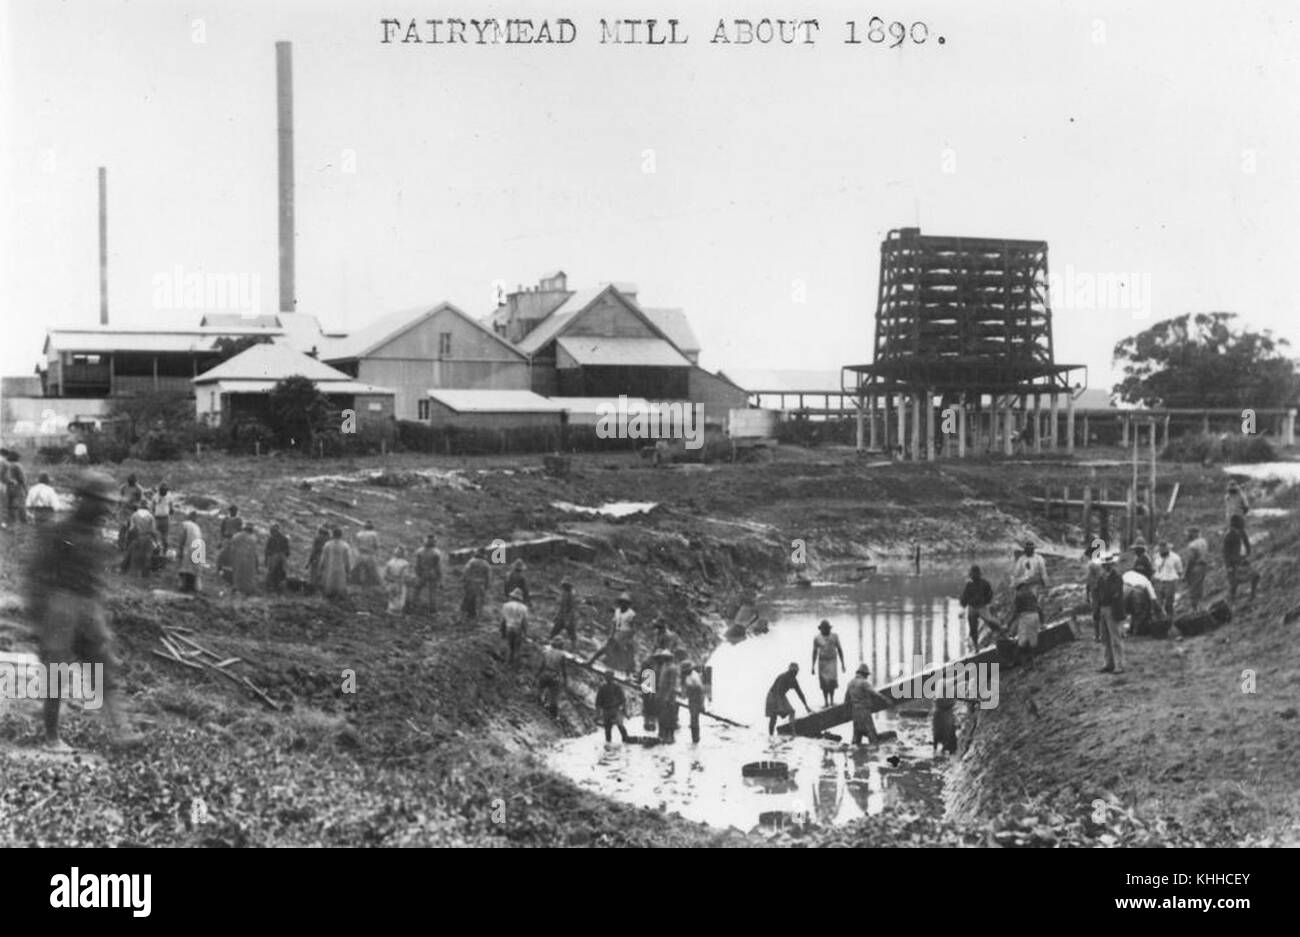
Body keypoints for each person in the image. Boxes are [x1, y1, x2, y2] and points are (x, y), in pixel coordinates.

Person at [26, 471, 138, 750]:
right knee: (56, 676)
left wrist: (99, 613)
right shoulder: (59, 532)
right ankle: (52, 738)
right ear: (83, 500)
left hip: (89, 609)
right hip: (60, 609)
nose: (106, 508)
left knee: (104, 670)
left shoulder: (96, 536)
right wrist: (40, 619)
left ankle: (121, 733)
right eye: (100, 502)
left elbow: (97, 579)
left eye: (107, 503)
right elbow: (35, 575)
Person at [1094, 552, 1127, 675]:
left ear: (1111, 564)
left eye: (1107, 564)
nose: (1105, 566)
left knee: (1115, 637)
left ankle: (1120, 665)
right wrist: (1097, 608)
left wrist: (1104, 598)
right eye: (1104, 564)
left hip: (1112, 608)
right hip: (1103, 607)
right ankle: (1108, 663)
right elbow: (1098, 593)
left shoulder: (1116, 577)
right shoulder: (1101, 578)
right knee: (1104, 638)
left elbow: (1115, 593)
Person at [589, 593, 637, 673]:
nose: (623, 604)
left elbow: (633, 628)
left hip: (625, 634)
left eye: (626, 603)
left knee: (626, 655)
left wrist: (628, 639)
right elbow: (614, 624)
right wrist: (611, 634)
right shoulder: (617, 611)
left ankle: (628, 675)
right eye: (622, 602)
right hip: (617, 633)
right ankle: (591, 661)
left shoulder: (631, 614)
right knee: (605, 648)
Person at [845, 664, 890, 745]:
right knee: (872, 736)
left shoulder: (850, 683)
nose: (867, 677)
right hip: (864, 712)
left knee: (856, 737)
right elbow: (875, 693)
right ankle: (873, 754)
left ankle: (855, 755)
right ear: (864, 674)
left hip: (855, 713)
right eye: (867, 675)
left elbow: (846, 700)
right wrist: (886, 699)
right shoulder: (864, 683)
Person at [765, 662, 811, 736]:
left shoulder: (794, 680)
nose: (794, 674)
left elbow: (800, 693)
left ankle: (793, 733)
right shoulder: (783, 677)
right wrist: (780, 706)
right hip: (773, 695)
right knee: (773, 716)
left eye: (796, 672)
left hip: (781, 695)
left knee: (792, 711)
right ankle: (771, 735)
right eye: (792, 672)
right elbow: (777, 690)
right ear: (789, 671)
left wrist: (806, 706)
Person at [1223, 513, 1260, 603]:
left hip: (1242, 561)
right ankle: (1232, 601)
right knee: (1233, 584)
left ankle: (1252, 596)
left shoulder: (1242, 532)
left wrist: (1247, 554)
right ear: (1237, 524)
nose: (1243, 523)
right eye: (1241, 522)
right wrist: (1229, 567)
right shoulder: (1229, 535)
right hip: (1233, 563)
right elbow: (1226, 553)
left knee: (1255, 576)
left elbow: (1247, 544)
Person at [959, 565, 997, 648]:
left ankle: (1000, 634)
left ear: (978, 574)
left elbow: (990, 594)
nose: (973, 576)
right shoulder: (969, 585)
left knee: (990, 621)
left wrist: (986, 601)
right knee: (973, 626)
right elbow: (965, 597)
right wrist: (963, 606)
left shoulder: (985, 583)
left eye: (974, 574)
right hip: (972, 607)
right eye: (971, 574)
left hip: (982, 607)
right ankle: (976, 645)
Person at [811, 620, 845, 707]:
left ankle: (832, 701)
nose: (826, 630)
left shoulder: (834, 636)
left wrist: (843, 664)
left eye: (827, 628)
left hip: (832, 661)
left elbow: (840, 649)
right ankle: (826, 702)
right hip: (822, 662)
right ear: (821, 629)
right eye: (824, 629)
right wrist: (813, 666)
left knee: (832, 682)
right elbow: (814, 652)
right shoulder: (817, 638)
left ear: (829, 628)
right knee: (824, 683)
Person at [1006, 583, 1042, 666]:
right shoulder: (1031, 595)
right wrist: (1042, 622)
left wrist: (1009, 623)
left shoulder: (1018, 596)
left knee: (1022, 643)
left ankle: (1021, 662)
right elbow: (1038, 608)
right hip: (1035, 616)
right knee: (1032, 642)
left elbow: (1015, 612)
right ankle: (1033, 660)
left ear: (1018, 590)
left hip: (1026, 617)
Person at [122, 502, 158, 578]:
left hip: (136, 537)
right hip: (147, 538)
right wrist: (156, 541)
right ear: (147, 508)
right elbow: (153, 530)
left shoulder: (134, 515)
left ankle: (127, 571)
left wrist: (128, 539)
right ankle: (145, 575)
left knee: (132, 555)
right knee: (147, 557)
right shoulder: (150, 516)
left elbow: (131, 528)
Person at [1151, 540, 1183, 621]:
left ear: (1168, 549)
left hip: (1170, 582)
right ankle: (1159, 621)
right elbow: (1154, 569)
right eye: (1160, 549)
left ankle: (1170, 620)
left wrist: (1175, 581)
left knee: (1169, 604)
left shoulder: (1175, 557)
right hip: (1158, 581)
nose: (1162, 551)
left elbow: (1179, 571)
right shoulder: (1156, 557)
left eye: (1163, 549)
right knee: (1158, 603)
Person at [595, 670, 630, 743]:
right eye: (608, 677)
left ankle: (624, 740)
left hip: (613, 710)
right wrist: (625, 711)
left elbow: (623, 700)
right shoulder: (605, 688)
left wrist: (598, 715)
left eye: (609, 677)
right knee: (610, 728)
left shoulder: (613, 688)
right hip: (610, 710)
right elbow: (598, 702)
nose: (608, 679)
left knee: (616, 727)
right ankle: (622, 740)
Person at [537, 637, 568, 718]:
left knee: (540, 691)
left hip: (544, 673)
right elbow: (564, 669)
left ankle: (538, 705)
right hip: (554, 676)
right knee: (554, 697)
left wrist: (536, 675)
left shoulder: (546, 651)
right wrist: (565, 680)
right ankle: (553, 715)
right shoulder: (562, 655)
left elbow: (541, 665)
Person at [411, 534, 443, 611]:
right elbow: (438, 566)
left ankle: (414, 605)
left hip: (422, 572)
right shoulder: (437, 552)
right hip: (432, 573)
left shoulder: (419, 551)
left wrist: (417, 573)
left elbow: (416, 564)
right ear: (434, 542)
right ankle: (432, 609)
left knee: (417, 589)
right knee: (432, 591)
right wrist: (440, 577)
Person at [319, 527, 352, 600]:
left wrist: (321, 567)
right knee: (340, 584)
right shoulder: (345, 545)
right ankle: (339, 598)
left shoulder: (327, 544)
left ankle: (329, 597)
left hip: (329, 567)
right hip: (341, 568)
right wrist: (348, 570)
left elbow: (323, 557)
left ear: (333, 535)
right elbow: (347, 559)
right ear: (341, 535)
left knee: (329, 584)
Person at [228, 522, 259, 595]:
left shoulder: (237, 536)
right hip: (249, 559)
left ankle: (237, 588)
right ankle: (246, 590)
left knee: (238, 573)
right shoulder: (253, 538)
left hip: (238, 558)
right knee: (248, 575)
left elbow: (232, 545)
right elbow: (254, 552)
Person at [177, 511, 204, 593]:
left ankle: (183, 586)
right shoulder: (197, 527)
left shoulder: (185, 524)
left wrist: (180, 550)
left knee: (184, 567)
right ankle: (197, 587)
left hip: (189, 546)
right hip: (199, 548)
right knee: (195, 570)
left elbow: (182, 537)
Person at [656, 652, 680, 743]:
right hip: (662, 694)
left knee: (669, 717)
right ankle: (662, 735)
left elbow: (672, 684)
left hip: (669, 697)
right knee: (662, 716)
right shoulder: (665, 666)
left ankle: (670, 737)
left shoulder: (672, 668)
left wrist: (667, 696)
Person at [1183, 526, 1209, 611]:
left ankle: (1194, 609)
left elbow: (1191, 560)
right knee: (1200, 587)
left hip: (1195, 567)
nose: (1186, 537)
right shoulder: (1203, 541)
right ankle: (1200, 606)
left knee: (1193, 589)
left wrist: (1186, 573)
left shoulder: (1193, 545)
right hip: (1203, 566)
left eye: (1188, 534)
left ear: (1192, 535)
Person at [501, 587, 529, 665]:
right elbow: (524, 622)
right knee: (517, 649)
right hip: (518, 628)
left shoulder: (506, 605)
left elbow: (503, 620)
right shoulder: (524, 608)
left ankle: (507, 664)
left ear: (512, 597)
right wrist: (525, 633)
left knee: (509, 647)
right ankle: (515, 666)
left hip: (508, 627)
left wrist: (502, 631)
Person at [461, 554, 491, 623]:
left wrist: (464, 581)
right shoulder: (486, 564)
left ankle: (462, 617)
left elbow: (466, 572)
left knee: (466, 600)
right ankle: (479, 619)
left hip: (471, 584)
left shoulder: (471, 562)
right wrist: (486, 586)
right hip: (481, 585)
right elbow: (488, 577)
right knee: (481, 602)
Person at [383, 545, 412, 614]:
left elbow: (386, 573)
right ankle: (396, 612)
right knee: (398, 596)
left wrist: (388, 579)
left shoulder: (391, 561)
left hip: (392, 581)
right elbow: (404, 575)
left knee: (392, 596)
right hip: (398, 582)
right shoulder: (404, 563)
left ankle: (391, 610)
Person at [682, 661, 706, 744]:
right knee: (693, 719)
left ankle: (695, 739)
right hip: (691, 699)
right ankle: (694, 738)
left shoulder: (694, 676)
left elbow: (701, 691)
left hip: (696, 700)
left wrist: (702, 704)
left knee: (694, 719)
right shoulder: (688, 676)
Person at [352, 521, 381, 587]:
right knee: (373, 574)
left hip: (360, 554)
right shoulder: (374, 534)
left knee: (356, 572)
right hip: (370, 555)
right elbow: (377, 546)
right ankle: (371, 587)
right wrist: (377, 555)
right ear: (372, 527)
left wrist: (356, 554)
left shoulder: (359, 534)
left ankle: (355, 586)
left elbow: (355, 545)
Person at [549, 578, 577, 644]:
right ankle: (551, 644)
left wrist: (567, 619)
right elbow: (561, 607)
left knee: (571, 633)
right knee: (554, 632)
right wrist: (557, 615)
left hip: (568, 617)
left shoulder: (571, 594)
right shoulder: (565, 593)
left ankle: (574, 647)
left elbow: (570, 608)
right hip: (562, 616)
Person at [265, 522, 290, 592]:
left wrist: (267, 559)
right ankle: (277, 588)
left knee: (274, 574)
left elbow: (267, 550)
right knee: (280, 574)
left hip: (275, 560)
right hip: (280, 559)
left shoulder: (271, 539)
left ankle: (273, 587)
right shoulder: (284, 538)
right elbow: (287, 552)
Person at [4, 451, 28, 525]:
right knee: (21, 506)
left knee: (10, 506)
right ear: (17, 458)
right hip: (18, 488)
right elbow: (23, 478)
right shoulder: (18, 465)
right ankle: (24, 522)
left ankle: (11, 522)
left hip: (8, 488)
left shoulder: (6, 465)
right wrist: (26, 488)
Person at [217, 505, 241, 578]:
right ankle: (220, 570)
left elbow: (239, 531)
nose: (233, 512)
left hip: (234, 540)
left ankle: (229, 573)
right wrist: (220, 541)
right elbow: (222, 531)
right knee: (222, 556)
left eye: (234, 511)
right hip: (226, 539)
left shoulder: (238, 520)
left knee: (232, 557)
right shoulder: (226, 520)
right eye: (232, 511)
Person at [151, 483, 176, 551]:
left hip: (165, 518)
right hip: (157, 518)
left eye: (165, 490)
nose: (164, 492)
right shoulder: (155, 496)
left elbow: (171, 505)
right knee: (155, 535)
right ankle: (156, 550)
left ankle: (165, 550)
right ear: (160, 490)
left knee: (165, 537)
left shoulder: (169, 495)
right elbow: (152, 506)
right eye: (162, 490)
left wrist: (171, 510)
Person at [307, 525, 330, 590]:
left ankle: (312, 588)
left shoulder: (317, 538)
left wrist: (309, 562)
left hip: (317, 558)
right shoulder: (329, 540)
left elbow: (313, 550)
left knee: (313, 574)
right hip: (326, 560)